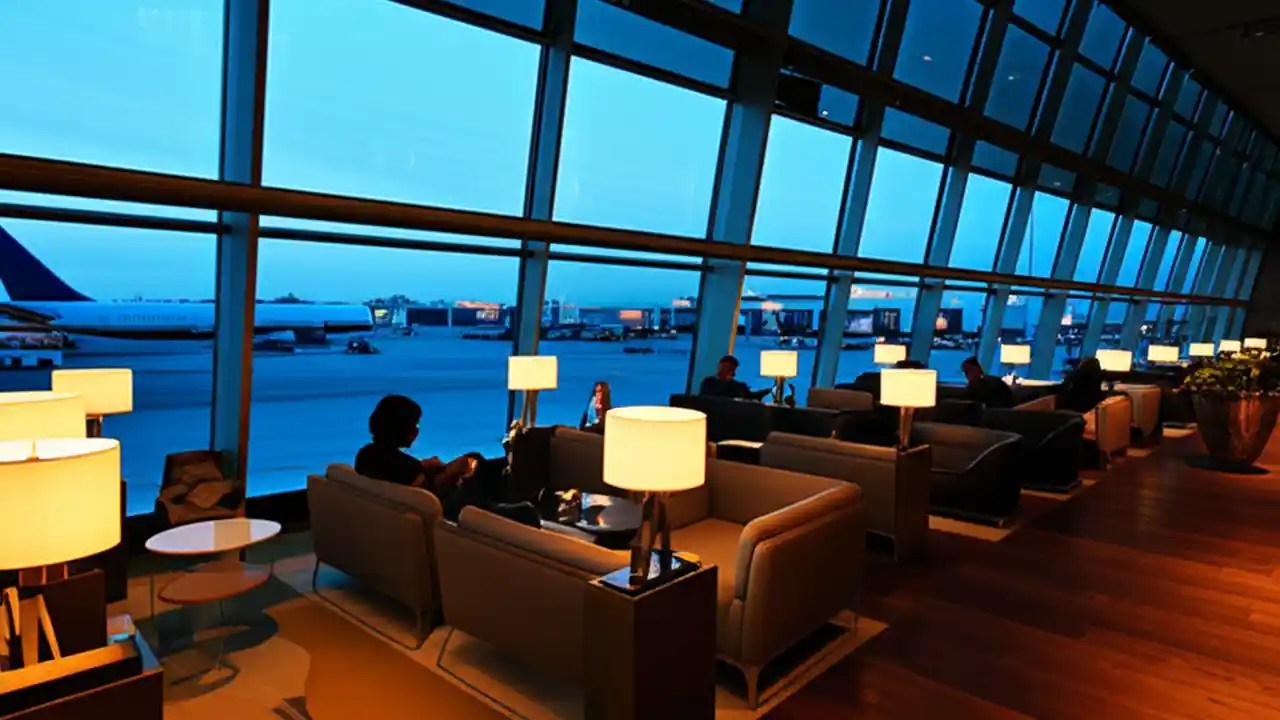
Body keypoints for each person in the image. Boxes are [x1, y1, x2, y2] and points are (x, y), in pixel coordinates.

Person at [355, 394, 540, 527]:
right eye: (415, 425)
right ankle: (515, 494)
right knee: (479, 466)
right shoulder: (396, 461)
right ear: (401, 428)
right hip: (449, 510)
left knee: (477, 460)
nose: (417, 430)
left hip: (435, 503)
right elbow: (425, 496)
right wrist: (452, 471)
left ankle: (507, 488)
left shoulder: (368, 454)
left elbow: (406, 480)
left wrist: (424, 467)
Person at [698, 355, 771, 400]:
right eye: (724, 368)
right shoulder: (709, 383)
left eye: (729, 369)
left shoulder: (738, 386)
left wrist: (766, 391)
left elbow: (750, 397)